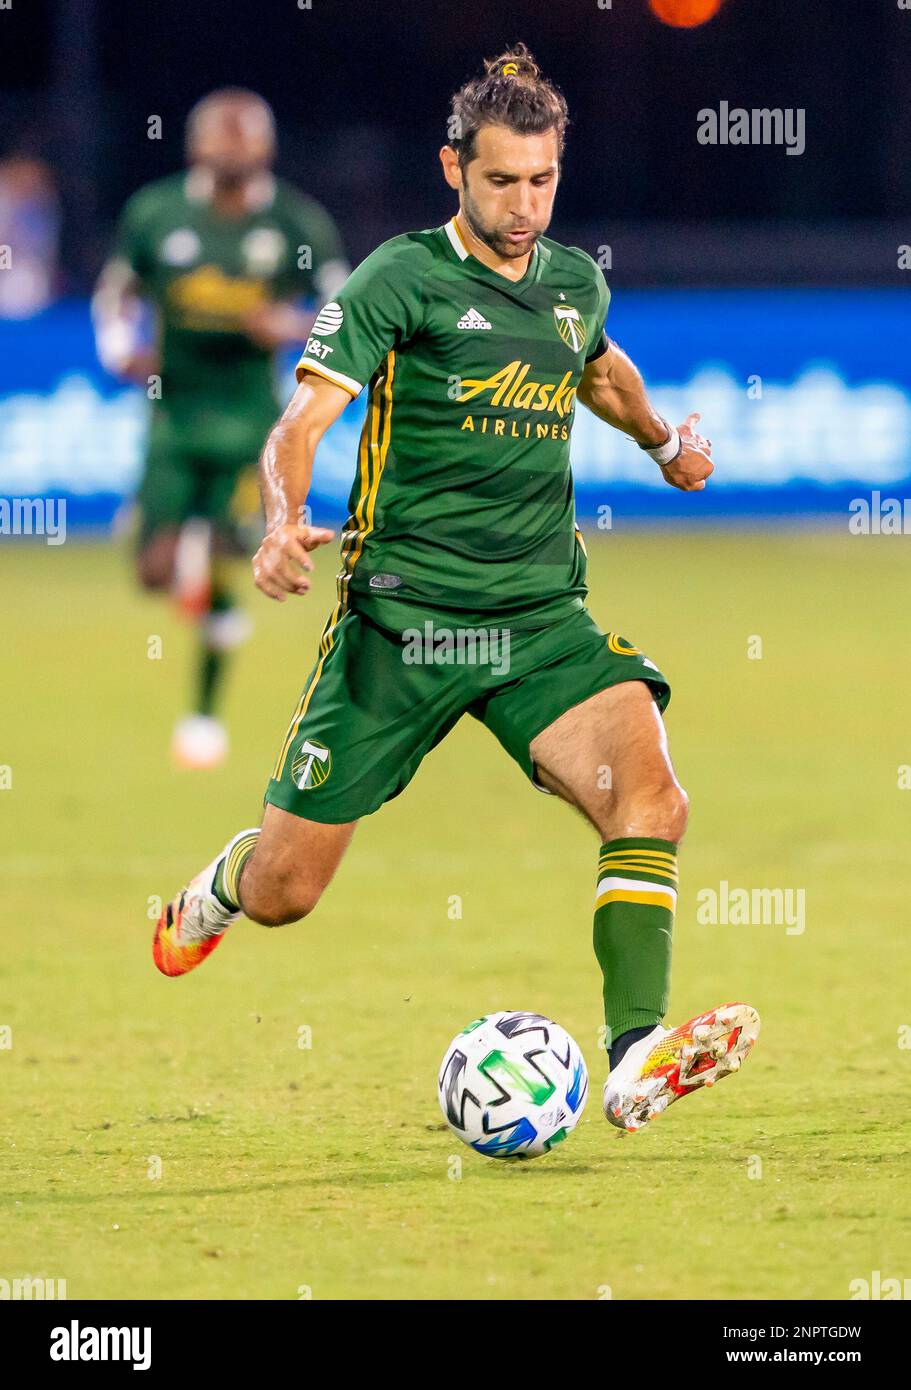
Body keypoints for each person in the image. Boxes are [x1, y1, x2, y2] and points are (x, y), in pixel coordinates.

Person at [153, 48, 759, 1134]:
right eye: (499, 182)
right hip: (402, 626)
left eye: (541, 182)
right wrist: (285, 519)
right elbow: (298, 424)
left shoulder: (574, 282)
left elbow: (598, 366)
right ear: (452, 169)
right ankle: (218, 888)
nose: (522, 206)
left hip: (537, 619)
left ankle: (633, 1057)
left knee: (653, 801)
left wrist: (664, 440)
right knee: (288, 892)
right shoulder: (398, 278)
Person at [93, 88, 348, 768]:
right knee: (153, 573)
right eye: (218, 137)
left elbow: (343, 306)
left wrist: (290, 326)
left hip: (251, 423)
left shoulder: (295, 223)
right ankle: (194, 576)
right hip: (173, 415)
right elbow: (116, 289)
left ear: (264, 147)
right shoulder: (157, 213)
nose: (229, 149)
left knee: (234, 547)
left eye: (242, 138)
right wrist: (120, 348)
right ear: (195, 145)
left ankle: (203, 714)